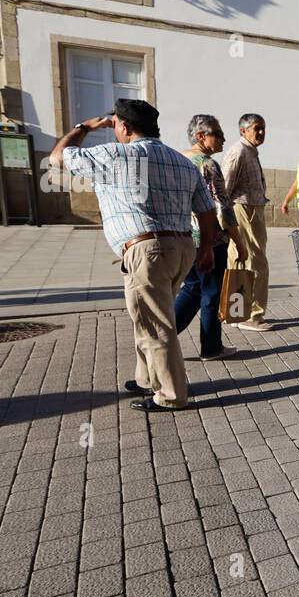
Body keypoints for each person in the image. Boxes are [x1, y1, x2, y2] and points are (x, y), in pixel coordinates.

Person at [49, 99, 216, 411]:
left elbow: (58, 159)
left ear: (123, 127)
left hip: (147, 251)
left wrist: (83, 127)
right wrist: (206, 249)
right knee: (147, 317)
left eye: (115, 126)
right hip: (181, 249)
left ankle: (170, 395)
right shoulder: (182, 161)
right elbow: (207, 213)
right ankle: (146, 379)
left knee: (155, 325)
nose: (114, 131)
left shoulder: (115, 154)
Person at [174, 114, 243, 362]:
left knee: (192, 289)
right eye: (218, 133)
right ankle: (211, 347)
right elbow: (222, 208)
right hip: (209, 240)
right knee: (211, 293)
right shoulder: (207, 165)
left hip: (184, 237)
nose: (223, 138)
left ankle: (163, 336)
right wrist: (239, 242)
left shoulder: (178, 160)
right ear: (201, 136)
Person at [223, 113, 272, 331]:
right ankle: (249, 315)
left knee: (244, 260)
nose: (261, 132)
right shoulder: (239, 151)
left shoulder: (250, 151)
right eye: (256, 128)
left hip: (252, 209)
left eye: (262, 128)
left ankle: (237, 313)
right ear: (243, 130)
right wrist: (224, 220)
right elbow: (224, 189)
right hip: (243, 209)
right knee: (254, 262)